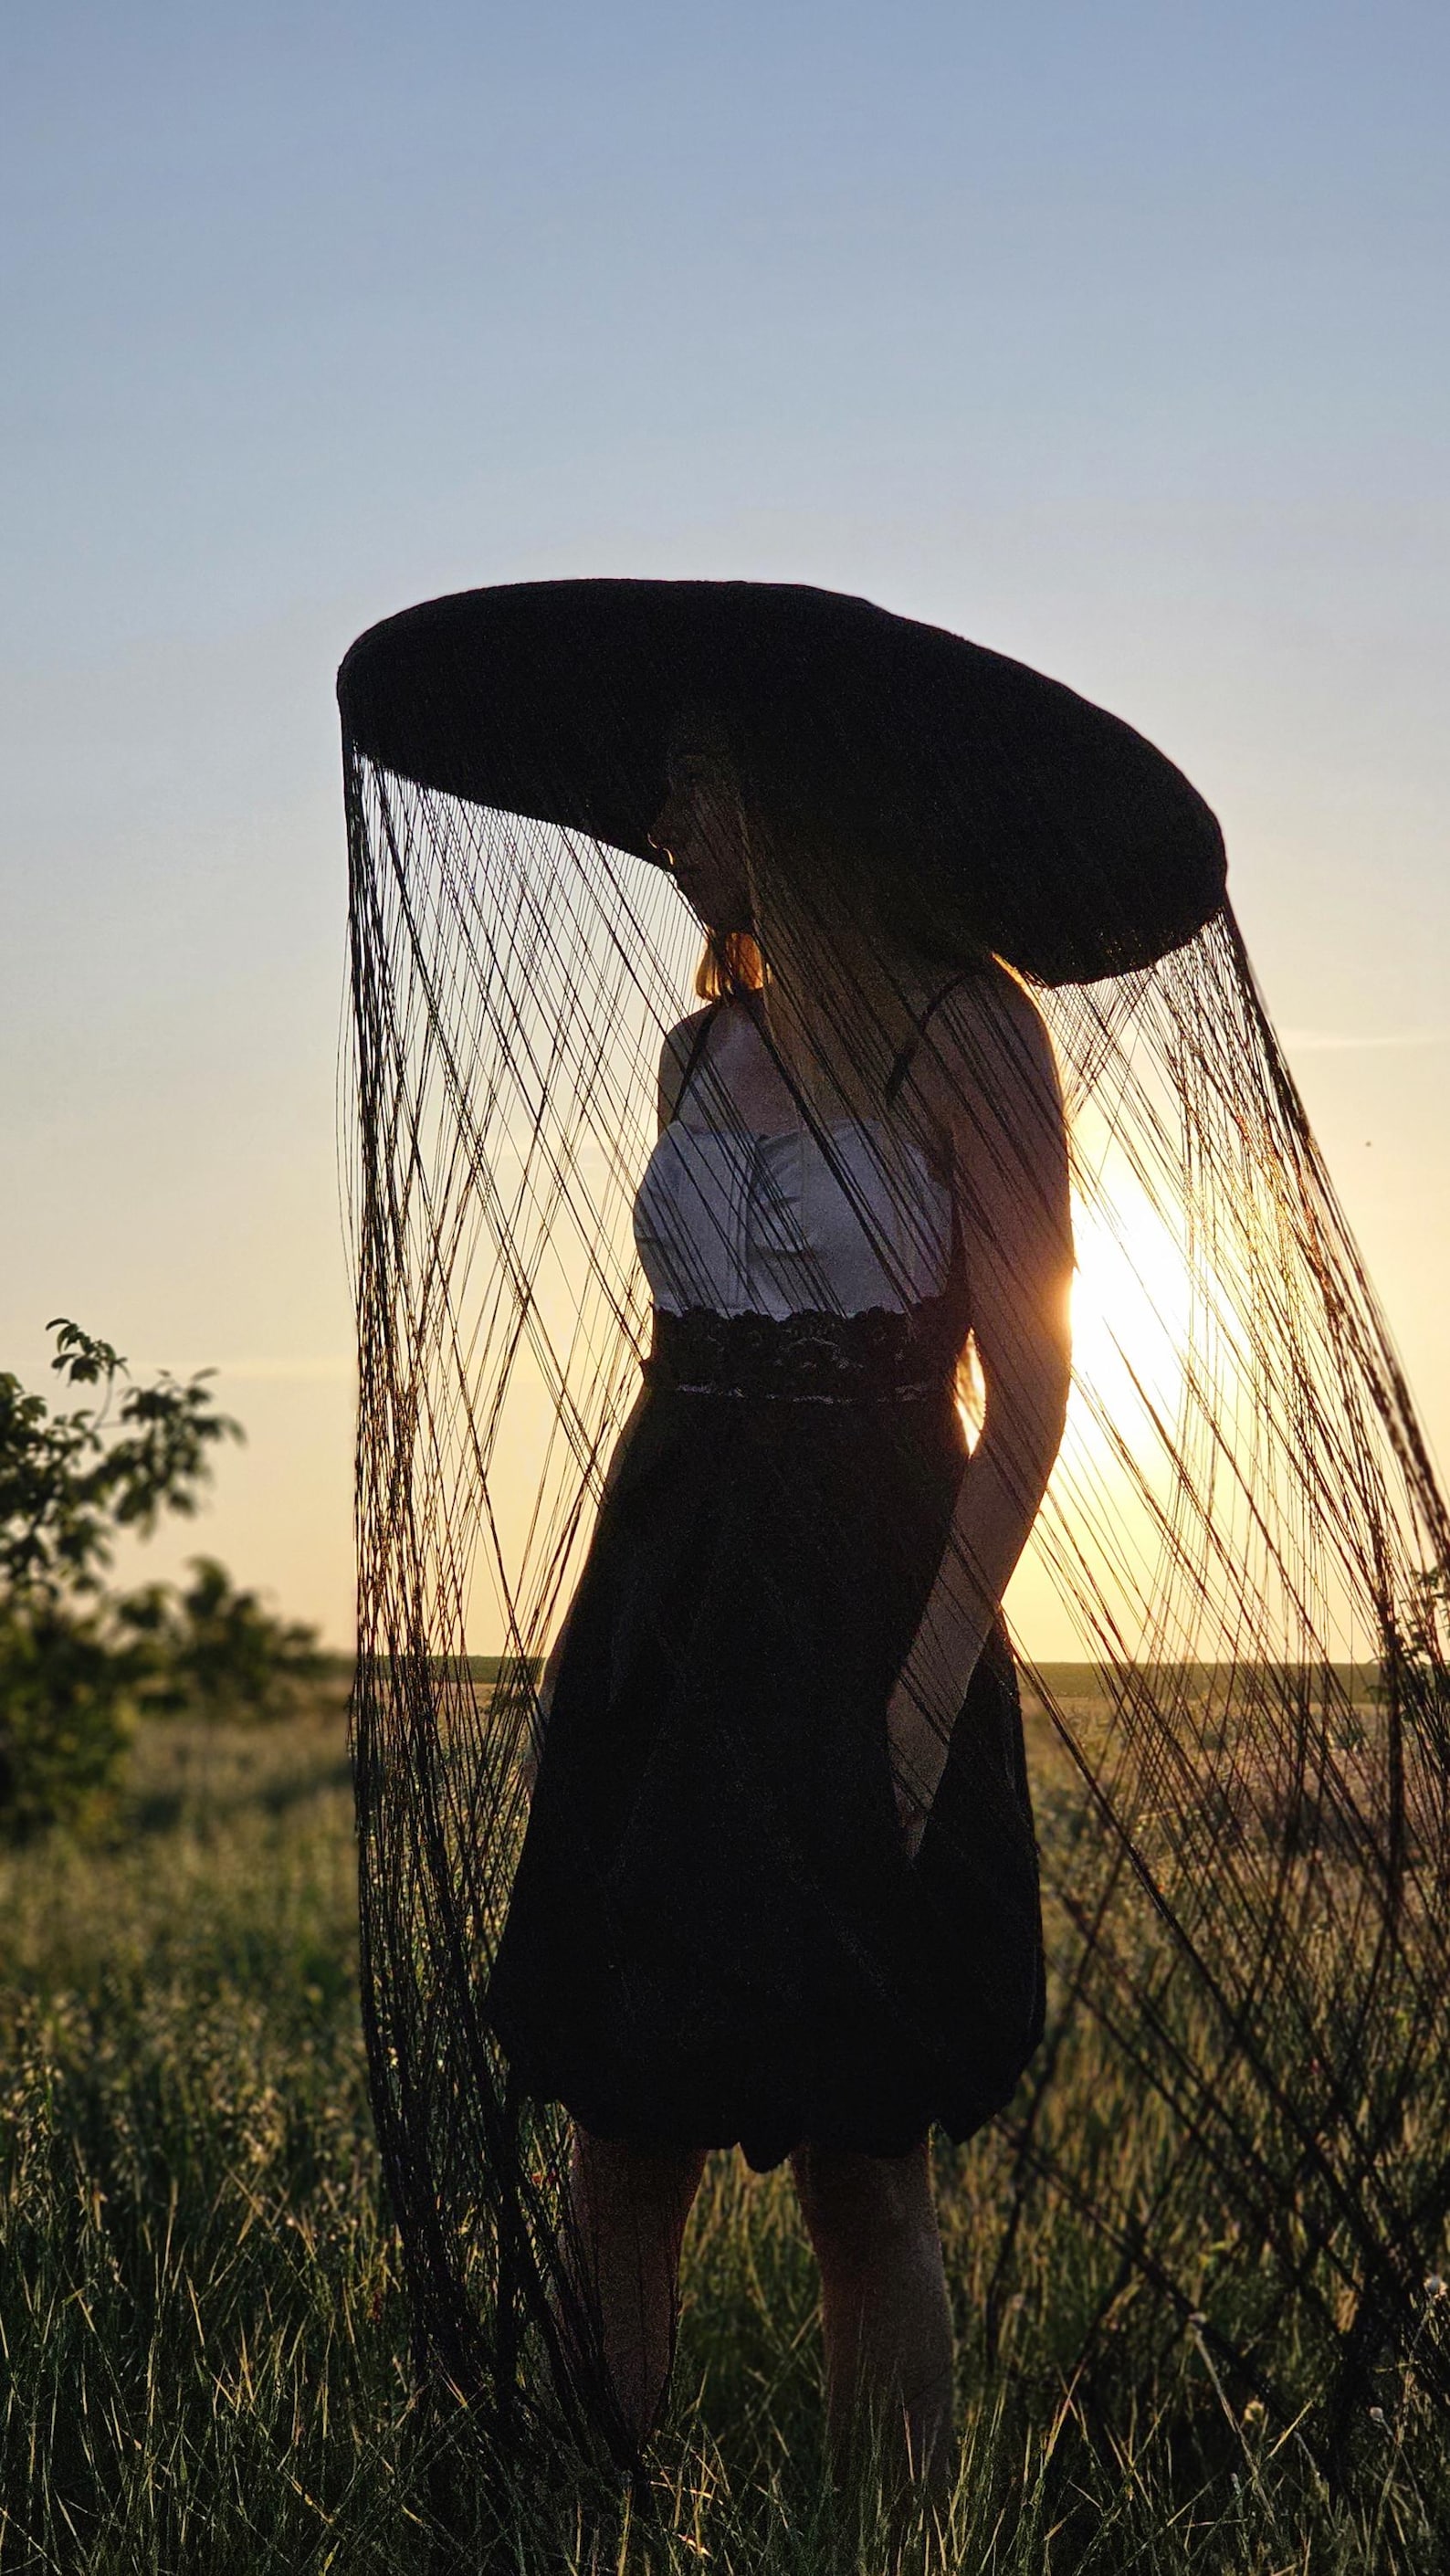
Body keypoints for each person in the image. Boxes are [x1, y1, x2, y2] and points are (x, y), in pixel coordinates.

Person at [486, 712, 1074, 2502]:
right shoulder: (693, 1052)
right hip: (666, 1597)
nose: (661, 822)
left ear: (795, 801)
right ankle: (609, 2512)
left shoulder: (966, 1028)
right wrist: (613, 1659)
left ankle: (884, 2547)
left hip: (862, 1606)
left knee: (856, 2153)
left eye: (692, 787)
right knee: (619, 2121)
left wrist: (916, 1697)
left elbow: (1029, 1397)